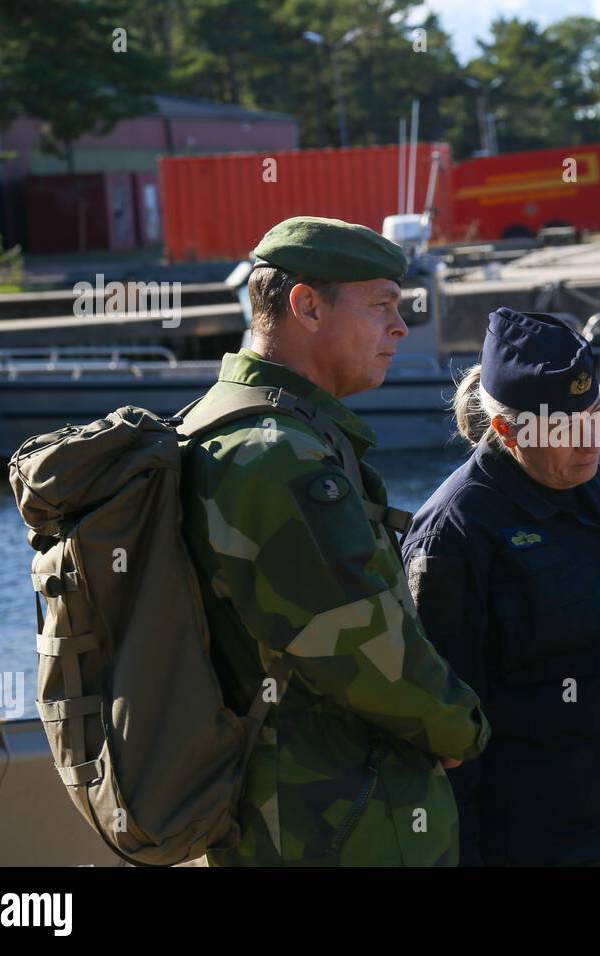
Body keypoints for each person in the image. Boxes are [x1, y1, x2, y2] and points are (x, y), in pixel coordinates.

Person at [180, 216, 490, 866]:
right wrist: (462, 724)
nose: (400, 328)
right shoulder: (278, 458)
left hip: (290, 817)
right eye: (382, 306)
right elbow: (364, 648)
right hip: (332, 828)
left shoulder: (223, 419)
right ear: (307, 306)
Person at [402, 308, 600, 866]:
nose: (593, 437)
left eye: (595, 413)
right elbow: (439, 736)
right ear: (506, 430)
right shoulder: (455, 534)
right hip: (526, 843)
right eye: (565, 426)